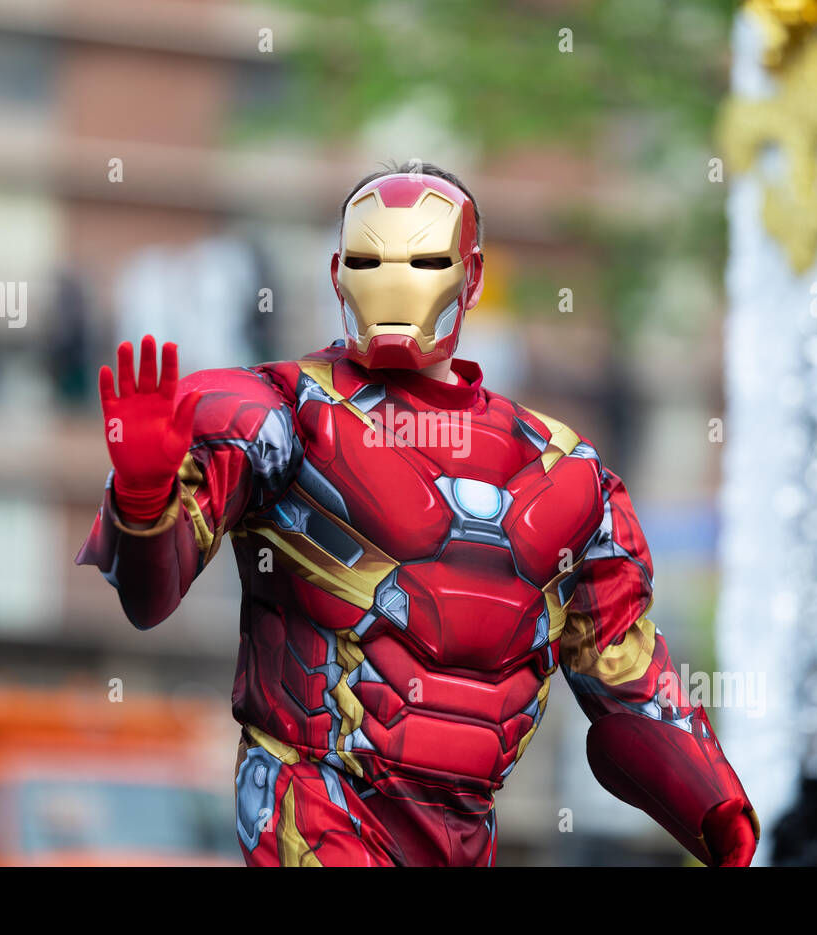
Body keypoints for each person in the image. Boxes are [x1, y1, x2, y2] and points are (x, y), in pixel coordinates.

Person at [77, 161, 758, 866]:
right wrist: (144, 498)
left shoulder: (563, 471)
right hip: (316, 807)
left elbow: (626, 675)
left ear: (472, 275)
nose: (396, 280)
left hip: (466, 830)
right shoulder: (276, 416)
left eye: (425, 258)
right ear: (339, 272)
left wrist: (717, 809)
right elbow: (149, 596)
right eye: (372, 260)